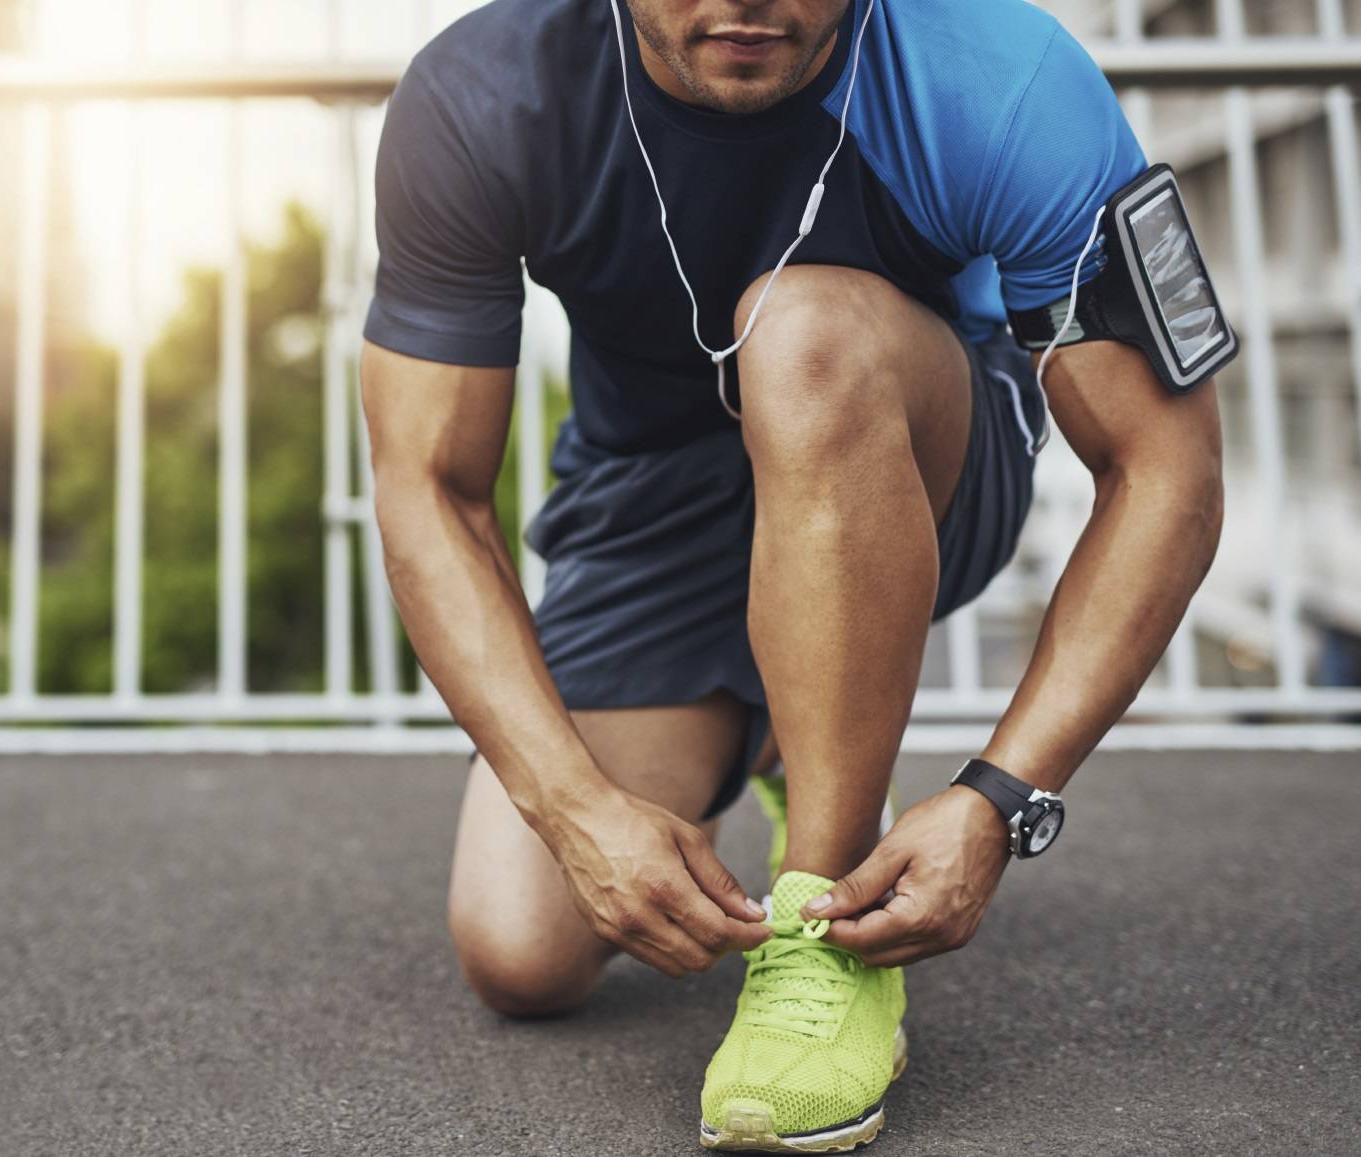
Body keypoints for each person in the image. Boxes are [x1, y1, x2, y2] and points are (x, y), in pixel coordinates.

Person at [359, 0, 1225, 1149]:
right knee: (521, 947)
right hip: (655, 497)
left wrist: (1001, 797)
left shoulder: (997, 78)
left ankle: (824, 911)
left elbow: (1164, 468)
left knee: (799, 328)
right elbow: (429, 488)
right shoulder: (482, 95)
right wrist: (572, 809)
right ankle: (786, 735)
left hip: (913, 448)